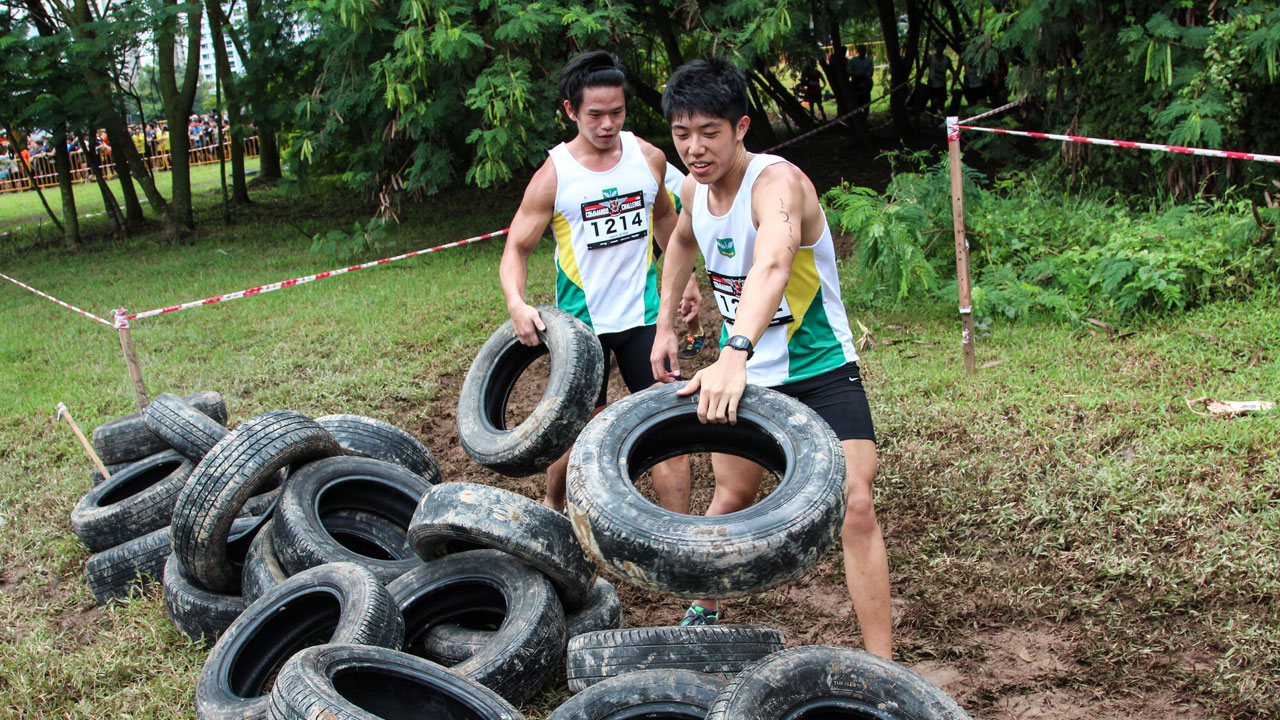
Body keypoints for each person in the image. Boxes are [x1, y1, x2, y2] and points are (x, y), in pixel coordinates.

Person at [651, 57, 892, 659]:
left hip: (819, 370)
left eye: (710, 132)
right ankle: (703, 613)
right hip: (748, 375)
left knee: (854, 503)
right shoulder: (691, 189)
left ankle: (886, 667)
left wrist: (733, 349)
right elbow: (681, 241)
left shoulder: (778, 186)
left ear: (742, 128)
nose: (695, 148)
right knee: (732, 496)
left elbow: (774, 263)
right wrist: (665, 326)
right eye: (682, 134)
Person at [498, 50, 699, 513]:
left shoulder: (647, 158)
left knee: (666, 419)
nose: (607, 124)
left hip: (645, 318)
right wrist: (516, 302)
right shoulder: (554, 175)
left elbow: (668, 220)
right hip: (580, 327)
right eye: (595, 114)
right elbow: (516, 250)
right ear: (571, 110)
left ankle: (678, 534)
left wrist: (685, 281)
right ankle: (554, 507)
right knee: (575, 427)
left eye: (617, 112)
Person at [663, 162, 708, 359]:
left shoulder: (645, 159)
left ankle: (695, 330)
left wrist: (689, 277)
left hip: (677, 215)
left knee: (683, 283)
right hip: (646, 225)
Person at [925, 40, 954, 115]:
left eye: (942, 46)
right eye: (938, 46)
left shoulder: (946, 59)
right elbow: (923, 69)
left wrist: (957, 82)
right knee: (934, 103)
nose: (940, 48)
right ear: (936, 47)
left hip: (942, 85)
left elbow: (953, 71)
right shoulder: (931, 58)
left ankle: (940, 120)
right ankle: (932, 119)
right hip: (932, 85)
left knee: (941, 105)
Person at [846, 44, 875, 110]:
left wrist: (866, 75)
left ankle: (865, 116)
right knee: (856, 103)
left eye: (864, 51)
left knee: (866, 104)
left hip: (866, 83)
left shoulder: (869, 61)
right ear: (858, 51)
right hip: (856, 84)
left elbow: (871, 73)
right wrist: (856, 73)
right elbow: (848, 71)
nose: (863, 52)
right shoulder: (853, 61)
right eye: (862, 51)